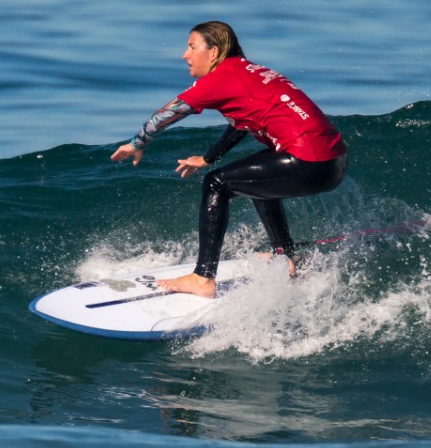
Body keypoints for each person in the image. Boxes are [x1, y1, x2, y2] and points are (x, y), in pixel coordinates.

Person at [111, 21, 348, 298]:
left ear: (213, 52)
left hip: (307, 159)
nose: (185, 55)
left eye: (192, 47)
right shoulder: (248, 71)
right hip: (332, 161)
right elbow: (242, 122)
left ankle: (203, 278)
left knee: (216, 184)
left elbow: (168, 113)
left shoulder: (220, 78)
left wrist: (137, 143)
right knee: (257, 181)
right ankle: (286, 257)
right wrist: (209, 157)